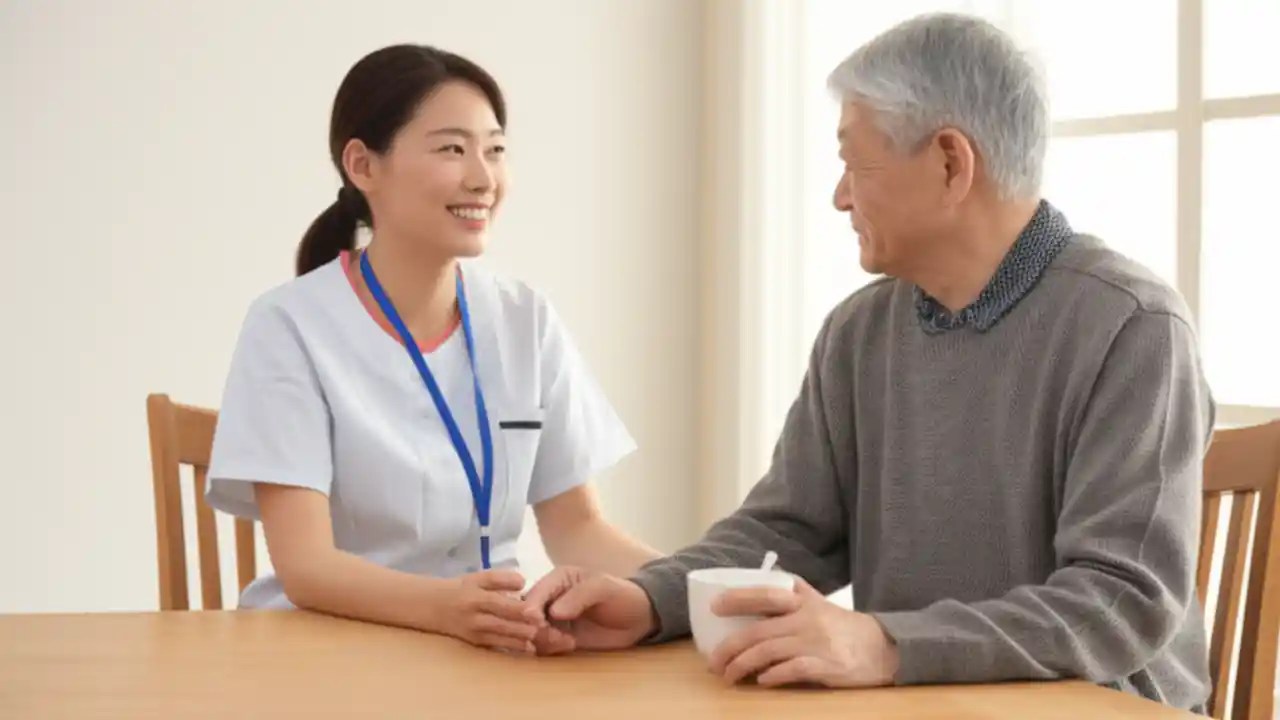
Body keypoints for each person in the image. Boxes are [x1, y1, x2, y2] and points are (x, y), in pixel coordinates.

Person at [524, 13, 1213, 712]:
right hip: (919, 703)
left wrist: (885, 645)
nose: (840, 196)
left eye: (856, 164)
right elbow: (786, 532)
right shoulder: (859, 332)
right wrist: (650, 600)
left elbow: (1120, 600)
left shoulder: (1132, 326)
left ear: (950, 163)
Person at [206, 44, 657, 654]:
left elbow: (577, 528)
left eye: (495, 150)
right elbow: (307, 567)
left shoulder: (525, 318)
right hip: (326, 651)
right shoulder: (288, 325)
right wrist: (448, 609)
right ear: (363, 166)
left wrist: (691, 590)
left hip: (485, 647)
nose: (483, 178)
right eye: (451, 149)